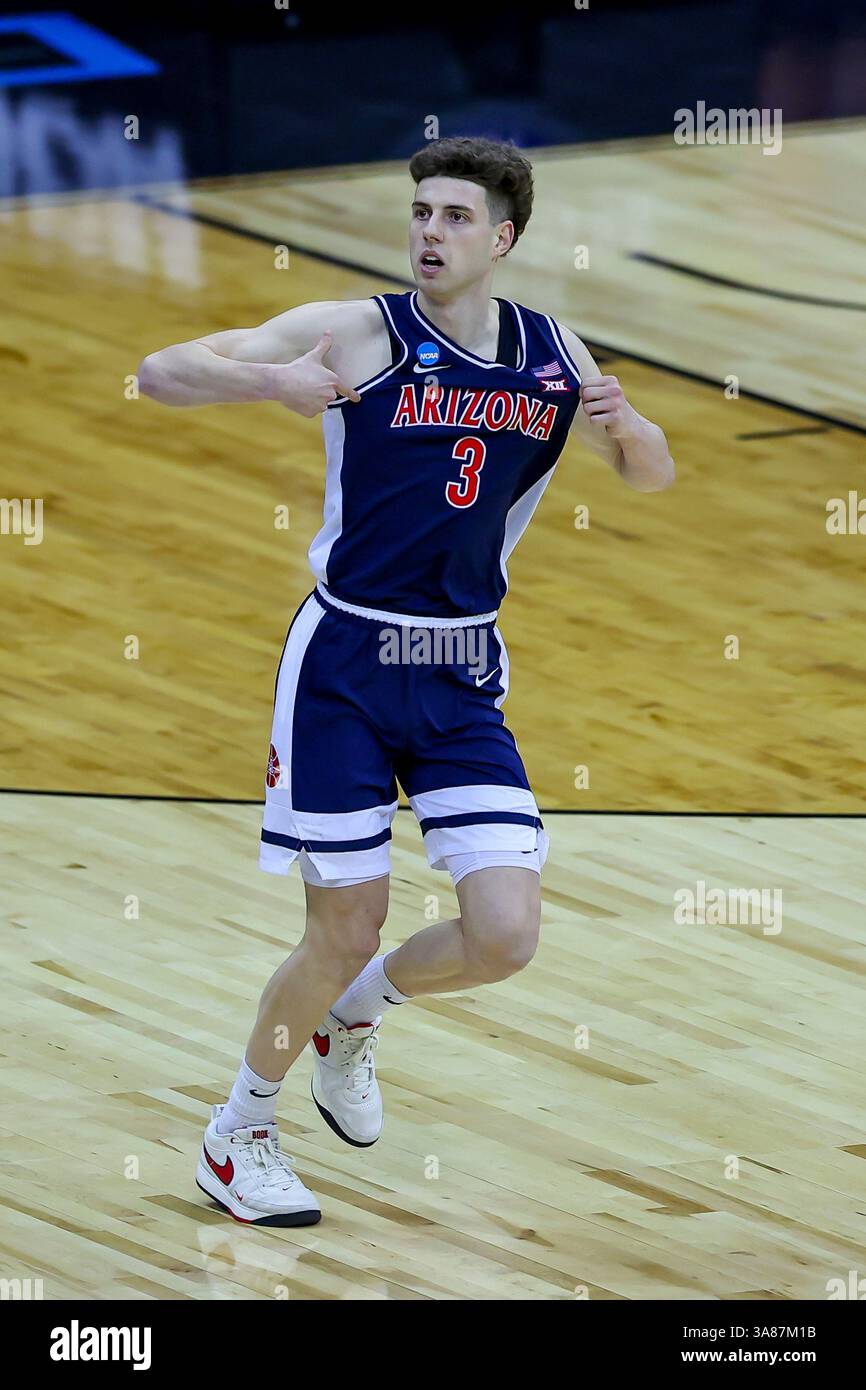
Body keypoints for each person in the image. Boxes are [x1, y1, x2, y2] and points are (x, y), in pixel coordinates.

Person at [138, 135, 675, 1226]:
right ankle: (237, 1131)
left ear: (504, 238)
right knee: (341, 919)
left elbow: (650, 473)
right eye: (420, 212)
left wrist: (633, 432)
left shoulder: (549, 350)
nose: (429, 232)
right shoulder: (355, 330)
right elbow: (157, 372)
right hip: (344, 660)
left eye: (455, 217)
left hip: (461, 666)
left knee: (504, 933)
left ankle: (353, 1016)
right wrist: (266, 380)